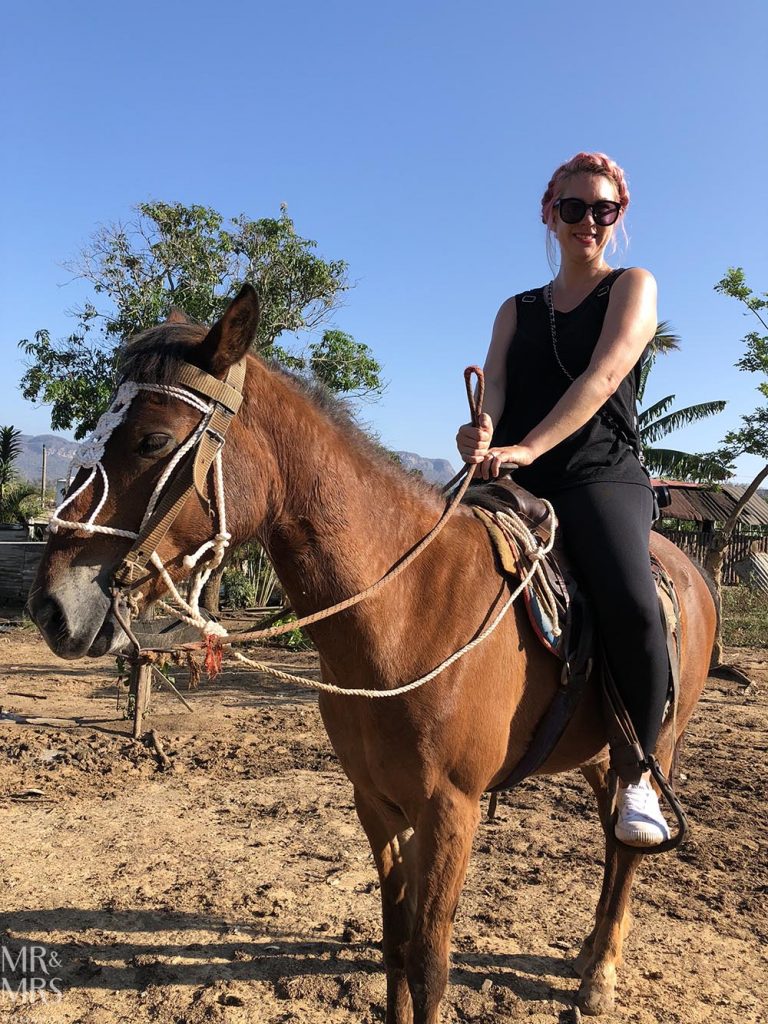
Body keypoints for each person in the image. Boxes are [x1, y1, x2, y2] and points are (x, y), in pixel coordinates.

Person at [456, 151, 670, 847]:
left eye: (603, 209)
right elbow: (494, 389)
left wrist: (527, 448)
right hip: (512, 478)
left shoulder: (632, 286)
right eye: (573, 207)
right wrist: (479, 431)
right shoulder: (516, 309)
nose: (588, 221)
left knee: (634, 604)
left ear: (618, 216)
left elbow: (602, 378)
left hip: (598, 473)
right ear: (549, 214)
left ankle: (636, 774)